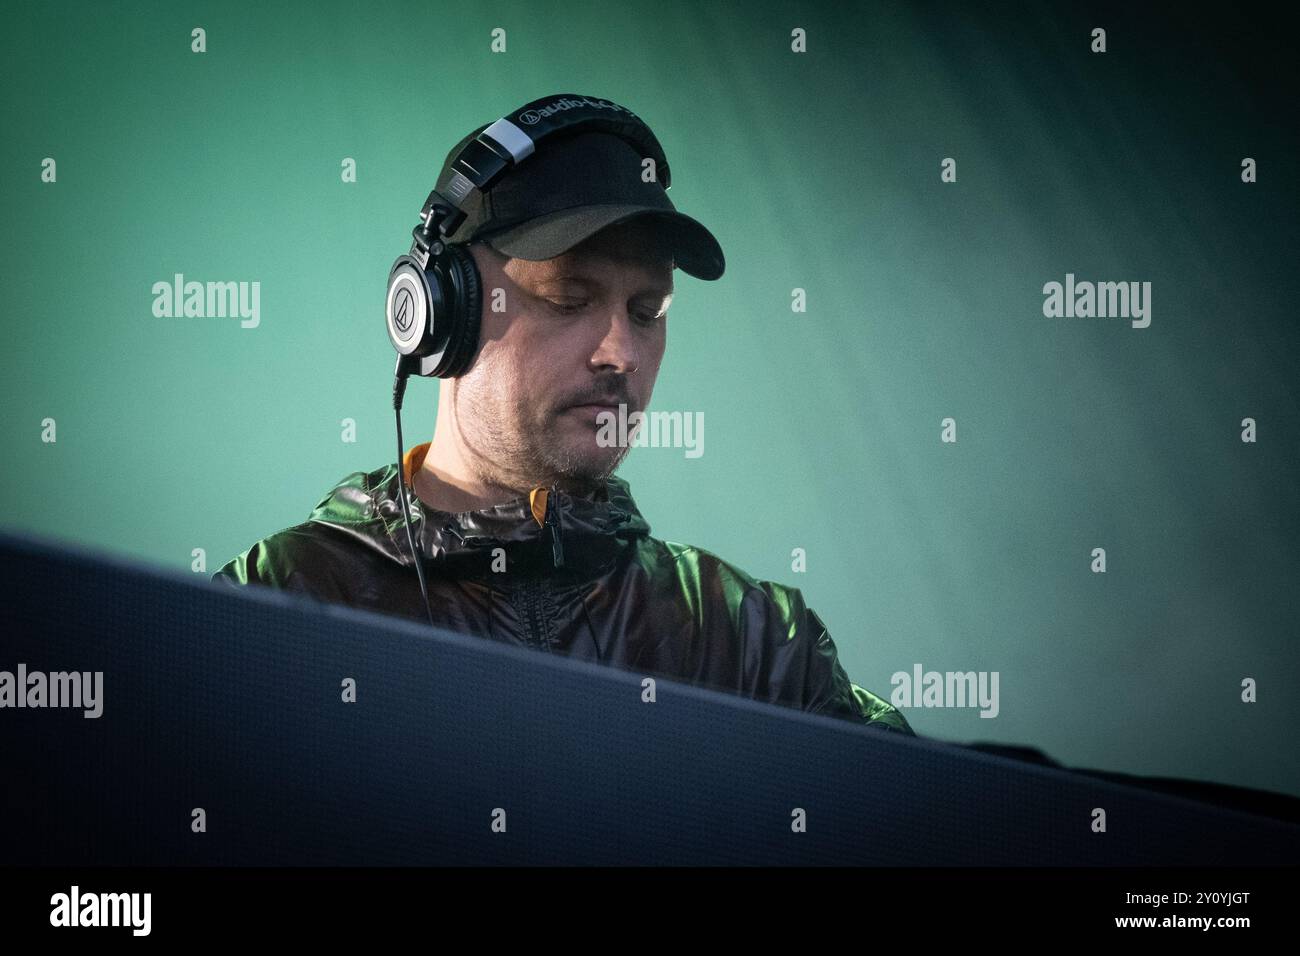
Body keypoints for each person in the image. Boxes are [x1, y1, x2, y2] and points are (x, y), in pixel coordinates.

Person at [213, 96, 912, 735]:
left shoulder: (749, 640)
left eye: (649, 312)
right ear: (435, 312)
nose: (622, 353)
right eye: (569, 300)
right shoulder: (281, 601)